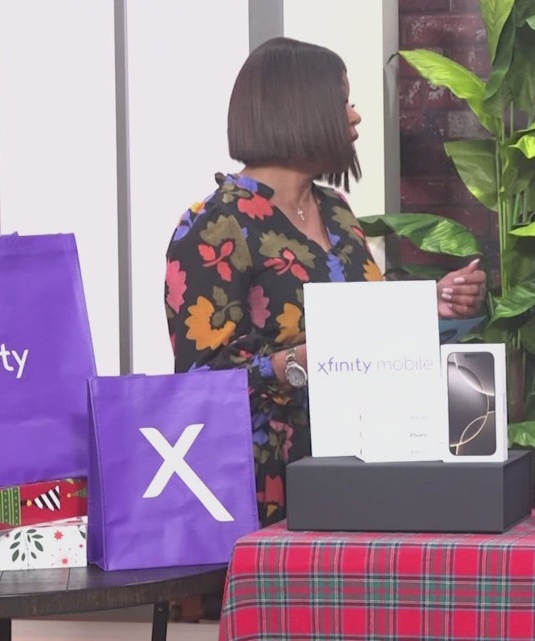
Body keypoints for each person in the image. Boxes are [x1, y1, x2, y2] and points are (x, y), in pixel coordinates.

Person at [164, 37, 486, 528]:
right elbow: (200, 386)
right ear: (298, 108)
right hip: (266, 481)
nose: (355, 116)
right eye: (342, 102)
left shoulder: (336, 209)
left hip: (361, 459)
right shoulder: (214, 224)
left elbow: (361, 321)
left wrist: (431, 303)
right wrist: (302, 361)